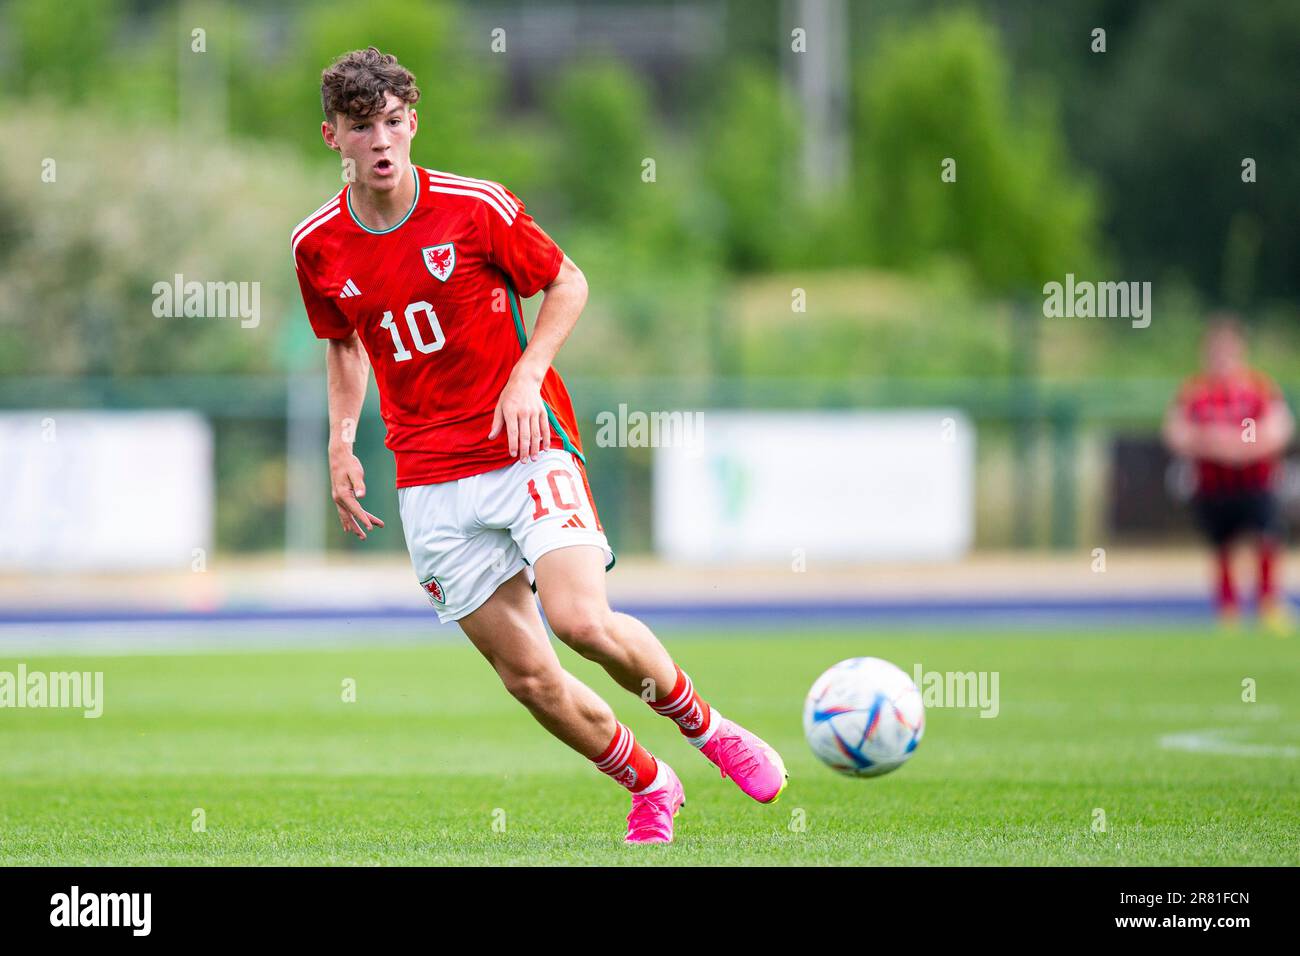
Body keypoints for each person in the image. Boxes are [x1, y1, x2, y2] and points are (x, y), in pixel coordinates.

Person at [290, 48, 788, 843]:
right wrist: (341, 442)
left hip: (525, 449)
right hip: (428, 481)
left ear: (412, 124)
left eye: (392, 122)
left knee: (581, 623)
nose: (380, 141)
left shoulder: (475, 207)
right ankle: (647, 783)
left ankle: (711, 731)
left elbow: (568, 281)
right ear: (333, 138)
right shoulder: (316, 245)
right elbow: (343, 344)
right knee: (527, 677)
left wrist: (526, 376)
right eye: (361, 127)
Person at [1163, 317, 1293, 632]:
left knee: (1266, 538)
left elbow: (1279, 430)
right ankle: (1228, 610)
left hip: (1255, 482)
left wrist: (1239, 447)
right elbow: (1176, 432)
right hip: (1214, 487)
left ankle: (1268, 603)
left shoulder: (1259, 388)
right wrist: (1212, 444)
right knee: (1222, 545)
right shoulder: (1195, 392)